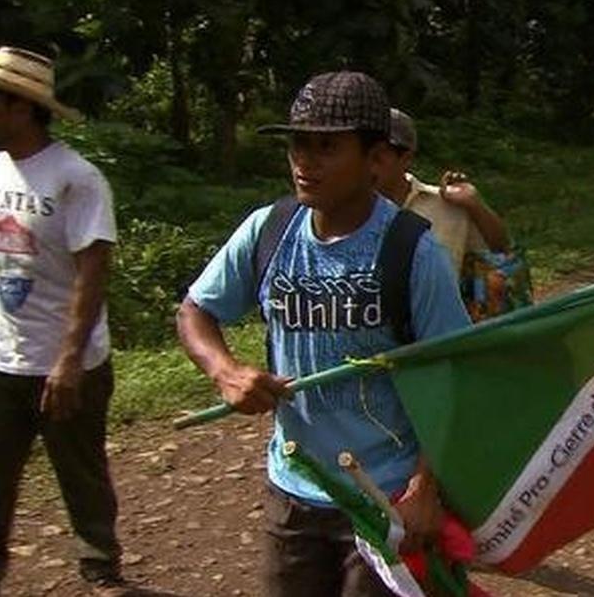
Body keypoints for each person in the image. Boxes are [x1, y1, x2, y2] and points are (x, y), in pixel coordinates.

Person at [176, 72, 471, 597]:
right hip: (293, 488)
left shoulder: (412, 252)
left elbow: (455, 372)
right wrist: (226, 372)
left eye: (327, 147)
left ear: (377, 159)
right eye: (298, 145)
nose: (304, 162)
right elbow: (196, 311)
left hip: (384, 496)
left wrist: (427, 487)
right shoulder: (268, 230)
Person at [0, 47, 124, 594]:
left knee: (81, 472)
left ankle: (99, 563)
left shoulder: (77, 178)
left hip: (68, 361)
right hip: (4, 357)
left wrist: (69, 358)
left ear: (20, 107)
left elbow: (93, 269)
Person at [375, 108, 509, 274]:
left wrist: (475, 205)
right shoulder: (345, 209)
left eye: (378, 156)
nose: (367, 165)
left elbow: (500, 250)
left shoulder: (447, 205)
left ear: (406, 158)